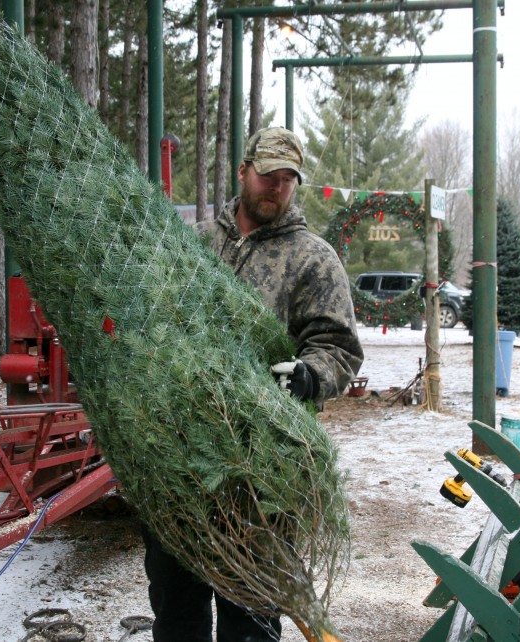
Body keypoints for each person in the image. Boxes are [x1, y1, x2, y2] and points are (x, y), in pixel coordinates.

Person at [142, 126, 364, 641]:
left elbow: (339, 347)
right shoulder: (192, 244)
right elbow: (151, 324)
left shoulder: (313, 259)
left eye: (289, 179)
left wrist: (311, 376)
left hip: (262, 477)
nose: (277, 187)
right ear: (244, 171)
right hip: (180, 467)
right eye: (268, 174)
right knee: (177, 615)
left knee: (252, 621)